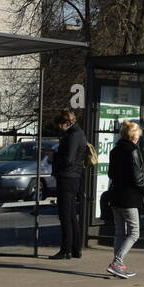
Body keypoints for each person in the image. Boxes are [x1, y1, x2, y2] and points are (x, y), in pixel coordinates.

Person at [105, 121, 144, 278]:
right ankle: (117, 262)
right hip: (129, 197)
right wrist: (143, 190)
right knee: (134, 233)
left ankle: (117, 266)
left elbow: (110, 174)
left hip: (115, 195)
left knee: (120, 232)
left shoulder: (115, 150)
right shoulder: (133, 151)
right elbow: (137, 177)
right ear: (134, 136)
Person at [49, 109, 87, 260]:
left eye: (60, 124)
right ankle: (75, 248)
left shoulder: (73, 136)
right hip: (73, 177)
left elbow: (68, 160)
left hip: (67, 177)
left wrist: (54, 156)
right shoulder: (78, 133)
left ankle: (66, 250)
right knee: (71, 215)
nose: (59, 127)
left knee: (65, 215)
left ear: (67, 122)